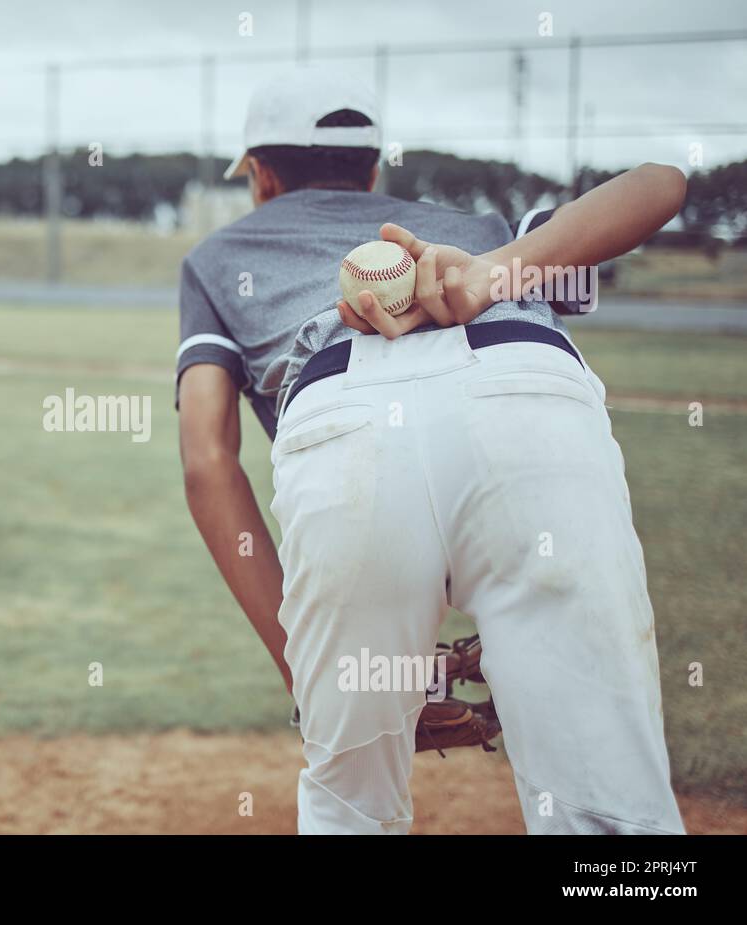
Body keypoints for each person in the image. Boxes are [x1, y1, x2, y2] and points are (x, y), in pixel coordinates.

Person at [175, 67, 687, 834]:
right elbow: (662, 183)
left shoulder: (216, 257)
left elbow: (207, 459)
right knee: (612, 817)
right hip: (524, 388)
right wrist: (491, 275)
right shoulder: (472, 229)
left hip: (339, 415)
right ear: (374, 168)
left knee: (352, 808)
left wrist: (312, 672)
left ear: (262, 173)